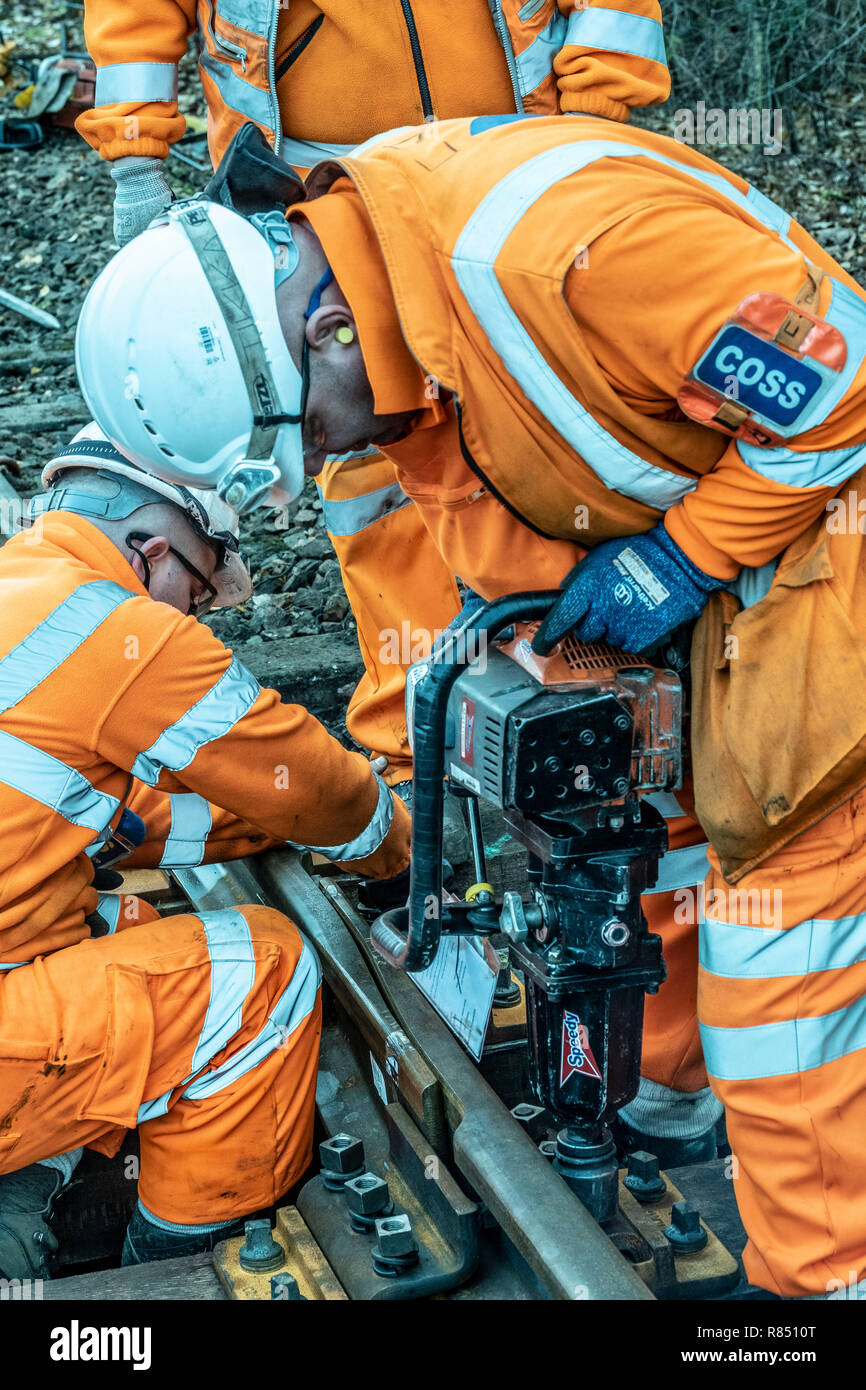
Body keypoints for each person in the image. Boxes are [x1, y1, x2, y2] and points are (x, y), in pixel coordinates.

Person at [77, 112, 866, 1298]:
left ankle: (817, 1288)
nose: (334, 457)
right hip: (728, 602)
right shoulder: (391, 287)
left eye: (314, 437)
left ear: (324, 333)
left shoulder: (574, 254)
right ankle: (658, 1103)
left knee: (778, 972)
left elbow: (841, 383)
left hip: (826, 573)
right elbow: (492, 491)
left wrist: (684, 557)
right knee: (640, 844)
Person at [74, 0, 670, 814]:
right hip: (320, 211)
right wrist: (135, 157)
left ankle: (582, 716)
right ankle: (417, 748)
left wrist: (595, 115)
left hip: (510, 175)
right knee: (368, 475)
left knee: (533, 433)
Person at [0, 427, 410, 1278]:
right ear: (153, 551)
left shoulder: (21, 591)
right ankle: (181, 1267)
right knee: (260, 973)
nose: (196, 609)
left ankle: (34, 1162)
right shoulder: (112, 626)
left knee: (124, 921)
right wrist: (397, 843)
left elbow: (131, 818)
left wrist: (263, 818)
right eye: (200, 582)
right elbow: (322, 788)